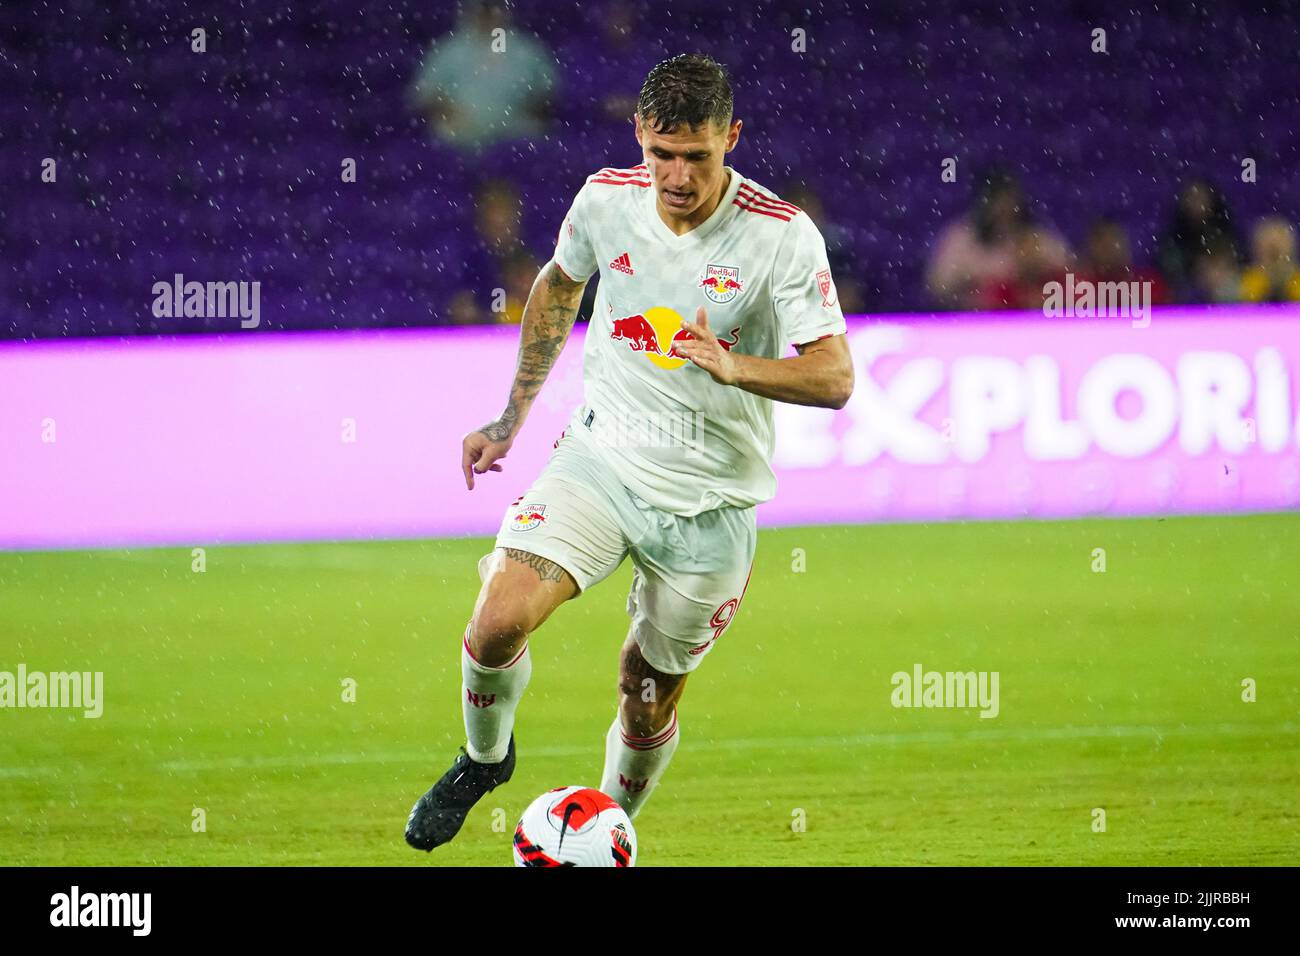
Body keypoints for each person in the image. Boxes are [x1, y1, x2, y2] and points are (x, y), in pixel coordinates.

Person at [404, 53, 854, 853]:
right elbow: (558, 284)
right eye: (664, 154)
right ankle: (483, 759)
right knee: (497, 622)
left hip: (710, 507)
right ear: (639, 134)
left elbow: (834, 376)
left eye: (699, 157)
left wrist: (733, 364)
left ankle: (601, 835)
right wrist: (511, 417)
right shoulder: (605, 202)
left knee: (644, 699)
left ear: (732, 138)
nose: (678, 176)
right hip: (601, 464)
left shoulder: (781, 237)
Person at [409, 1, 557, 152]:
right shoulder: (449, 50)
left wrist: (525, 110)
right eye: (482, 10)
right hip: (460, 133)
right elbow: (425, 95)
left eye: (493, 9)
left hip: (516, 131)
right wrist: (448, 110)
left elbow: (548, 93)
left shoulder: (527, 50)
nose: (488, 16)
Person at [925, 169, 1066, 310]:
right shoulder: (960, 238)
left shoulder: (1037, 238)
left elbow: (1067, 274)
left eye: (1009, 203)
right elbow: (938, 286)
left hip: (1026, 322)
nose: (1003, 210)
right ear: (984, 204)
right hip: (973, 321)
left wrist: (1037, 269)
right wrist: (970, 279)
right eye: (997, 203)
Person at [1157, 177, 1240, 303]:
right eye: (1193, 199)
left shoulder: (1226, 231)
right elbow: (1171, 271)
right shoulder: (1174, 238)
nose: (1198, 204)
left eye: (1201, 198)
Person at [1240, 217, 1300, 303]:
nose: (1275, 255)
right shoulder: (1250, 281)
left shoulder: (1297, 282)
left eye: (1278, 250)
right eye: (1269, 249)